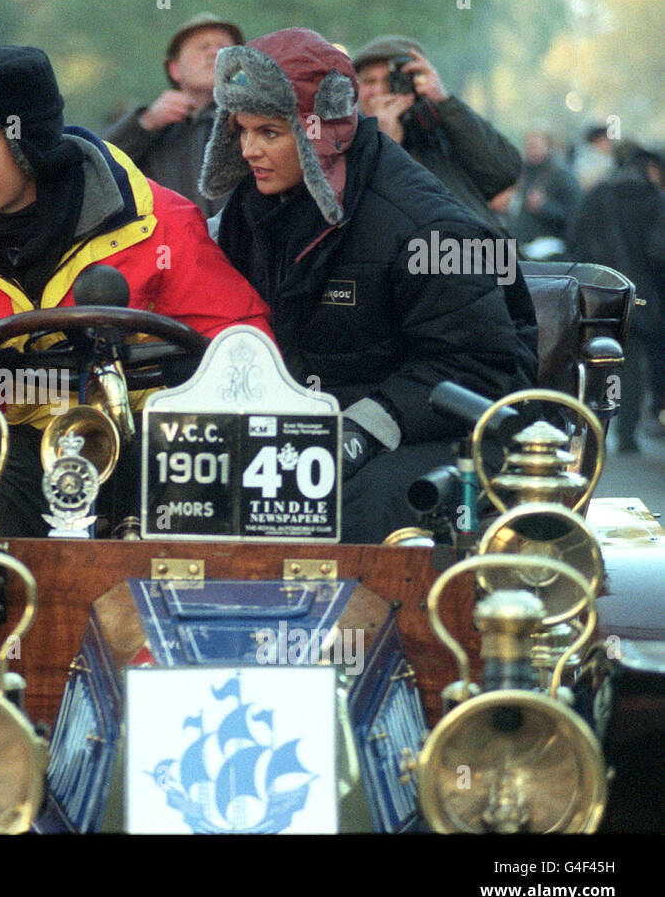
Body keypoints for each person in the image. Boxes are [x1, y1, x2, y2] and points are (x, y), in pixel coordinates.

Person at [0, 45, 271, 536]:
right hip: (12, 450)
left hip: (151, 441)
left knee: (197, 490)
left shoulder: (156, 221)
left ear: (28, 146)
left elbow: (244, 344)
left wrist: (191, 378)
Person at [200, 28, 537, 543]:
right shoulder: (248, 213)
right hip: (308, 429)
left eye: (269, 132)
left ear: (322, 131)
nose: (248, 150)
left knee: (356, 505)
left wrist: (361, 430)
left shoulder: (427, 227)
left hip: (447, 433)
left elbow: (481, 366)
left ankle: (364, 625)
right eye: (241, 131)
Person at [350, 35, 521, 236]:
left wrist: (445, 101)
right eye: (369, 81)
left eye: (390, 80)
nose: (379, 90)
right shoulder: (349, 145)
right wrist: (387, 144)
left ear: (413, 82)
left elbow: (504, 171)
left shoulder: (441, 129)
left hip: (485, 257)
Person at [567, 142, 665, 453]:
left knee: (603, 361)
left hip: (603, 293)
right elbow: (658, 251)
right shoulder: (654, 199)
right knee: (634, 364)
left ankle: (600, 424)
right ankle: (627, 431)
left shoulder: (597, 195)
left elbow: (575, 240)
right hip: (644, 294)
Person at [105, 13, 244, 218]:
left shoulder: (253, 121)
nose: (215, 53)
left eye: (224, 47)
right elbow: (98, 164)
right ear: (175, 69)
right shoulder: (153, 132)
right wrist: (146, 121)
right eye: (203, 47)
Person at [512, 130, 582, 255]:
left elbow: (573, 216)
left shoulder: (562, 175)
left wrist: (544, 206)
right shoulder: (523, 171)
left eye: (534, 146)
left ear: (548, 146)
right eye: (527, 146)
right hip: (522, 242)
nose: (530, 151)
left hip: (552, 246)